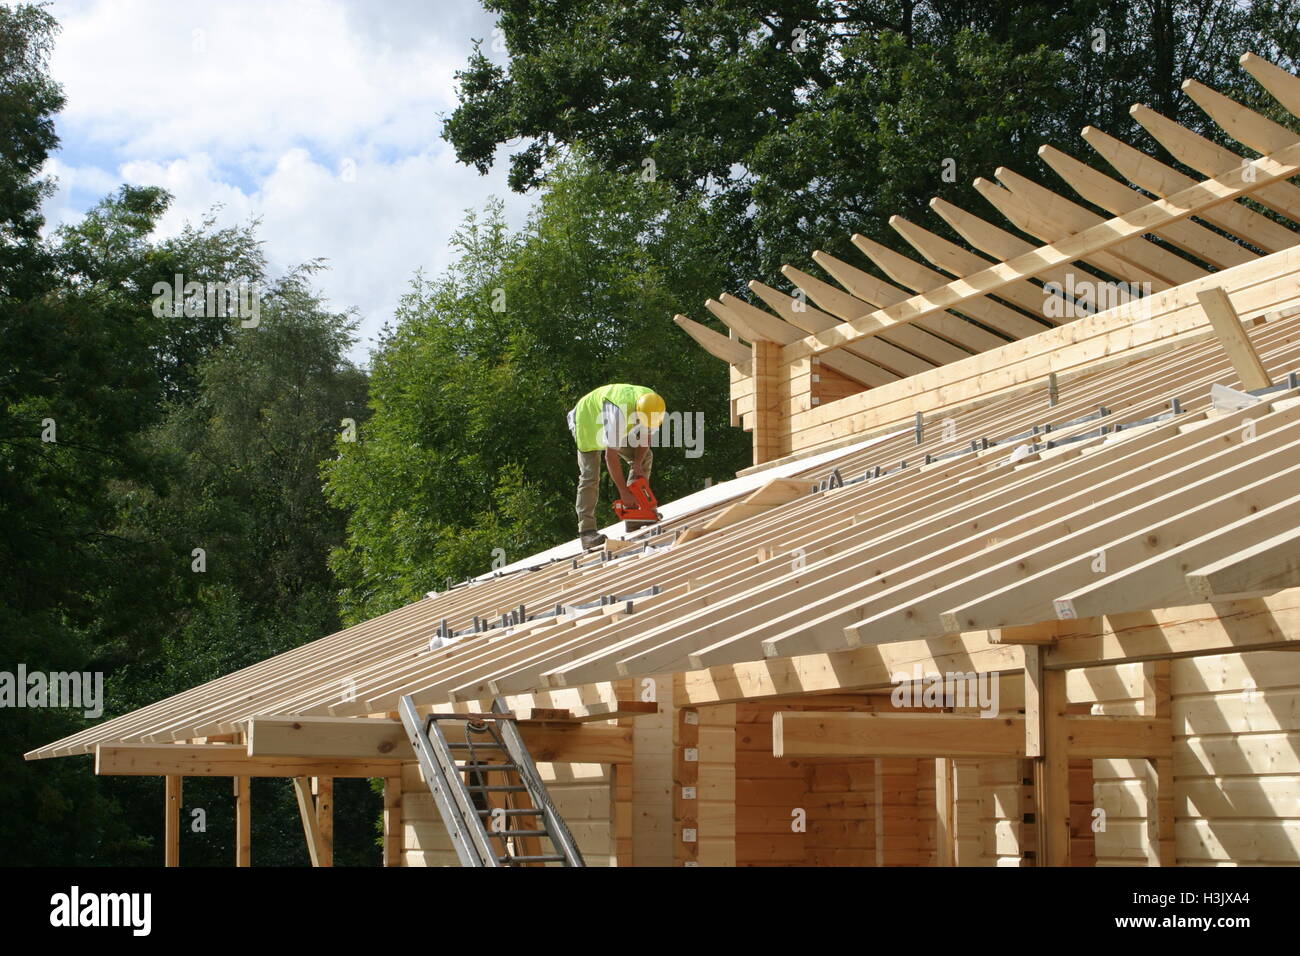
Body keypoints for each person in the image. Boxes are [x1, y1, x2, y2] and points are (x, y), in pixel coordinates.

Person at [567, 384, 666, 549]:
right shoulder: (618, 413)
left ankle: (635, 516)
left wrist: (636, 465)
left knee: (644, 458)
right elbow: (610, 456)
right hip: (587, 422)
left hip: (613, 421)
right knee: (590, 476)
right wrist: (624, 492)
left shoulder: (653, 404)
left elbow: (645, 438)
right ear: (637, 412)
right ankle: (587, 532)